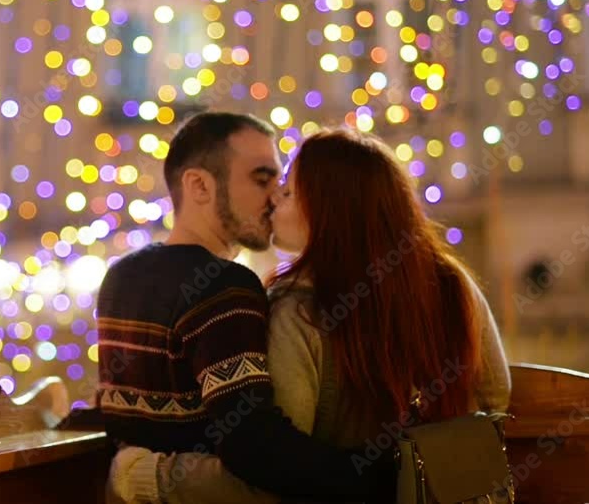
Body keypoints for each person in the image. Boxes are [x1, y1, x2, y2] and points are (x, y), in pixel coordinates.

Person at [111, 127, 512, 503]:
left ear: (325, 211)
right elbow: (496, 395)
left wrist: (151, 474)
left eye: (286, 192)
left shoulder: (299, 313)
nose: (272, 201)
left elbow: (269, 477)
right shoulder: (450, 281)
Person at [96, 113, 396, 504]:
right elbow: (254, 445)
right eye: (261, 179)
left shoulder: (119, 278)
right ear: (199, 185)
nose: (275, 197)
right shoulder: (225, 288)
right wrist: (382, 474)